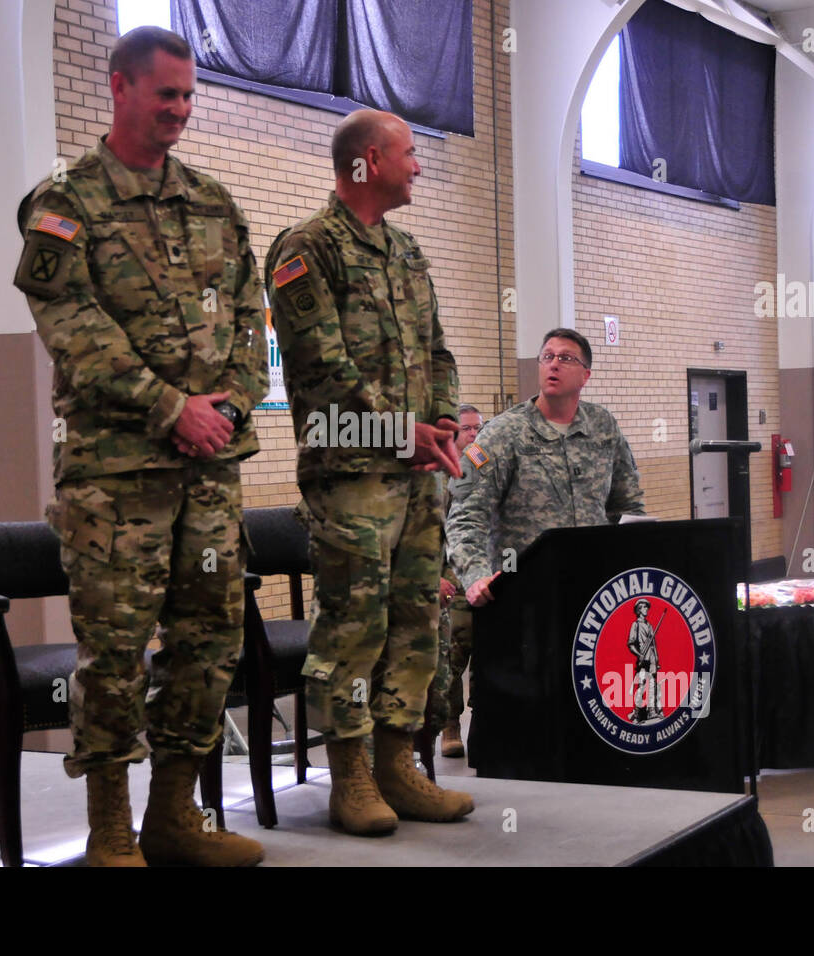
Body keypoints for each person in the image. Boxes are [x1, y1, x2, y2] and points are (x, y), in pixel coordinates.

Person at [13, 26, 268, 867]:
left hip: (208, 476)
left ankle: (173, 818)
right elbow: (73, 328)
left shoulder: (215, 202)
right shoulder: (66, 201)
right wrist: (170, 407)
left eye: (190, 97)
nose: (182, 112)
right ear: (119, 87)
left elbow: (247, 319)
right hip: (116, 480)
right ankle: (110, 832)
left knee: (208, 643)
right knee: (117, 653)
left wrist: (229, 403)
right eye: (168, 96)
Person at [266, 109, 474, 836]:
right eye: (411, 154)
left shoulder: (407, 252)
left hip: (420, 475)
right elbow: (322, 373)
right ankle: (348, 776)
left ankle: (397, 765)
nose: (420, 166)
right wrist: (400, 433)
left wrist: (442, 424)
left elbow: (439, 354)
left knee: (417, 620)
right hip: (350, 475)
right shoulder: (304, 248)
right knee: (354, 626)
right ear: (369, 160)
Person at [447, 329, 645, 607]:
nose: (554, 364)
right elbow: (465, 516)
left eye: (565, 358)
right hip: (521, 586)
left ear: (585, 375)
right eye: (547, 357)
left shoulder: (602, 427)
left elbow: (628, 508)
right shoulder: (503, 433)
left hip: (595, 589)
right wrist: (476, 576)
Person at [432, 404, 483, 757]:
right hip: (455, 574)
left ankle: (484, 723)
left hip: (487, 571)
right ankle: (451, 726)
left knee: (489, 652)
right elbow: (434, 530)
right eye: (468, 429)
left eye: (479, 428)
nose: (475, 435)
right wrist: (437, 575)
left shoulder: (487, 468)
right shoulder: (444, 474)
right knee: (455, 651)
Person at [627, 598, 663, 723]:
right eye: (644, 607)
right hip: (643, 657)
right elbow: (630, 644)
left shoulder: (650, 625)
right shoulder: (635, 625)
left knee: (652, 685)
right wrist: (638, 654)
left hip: (651, 657)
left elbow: (654, 643)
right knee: (642, 686)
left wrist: (657, 659)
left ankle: (652, 711)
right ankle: (637, 713)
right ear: (639, 610)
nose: (646, 609)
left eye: (647, 607)